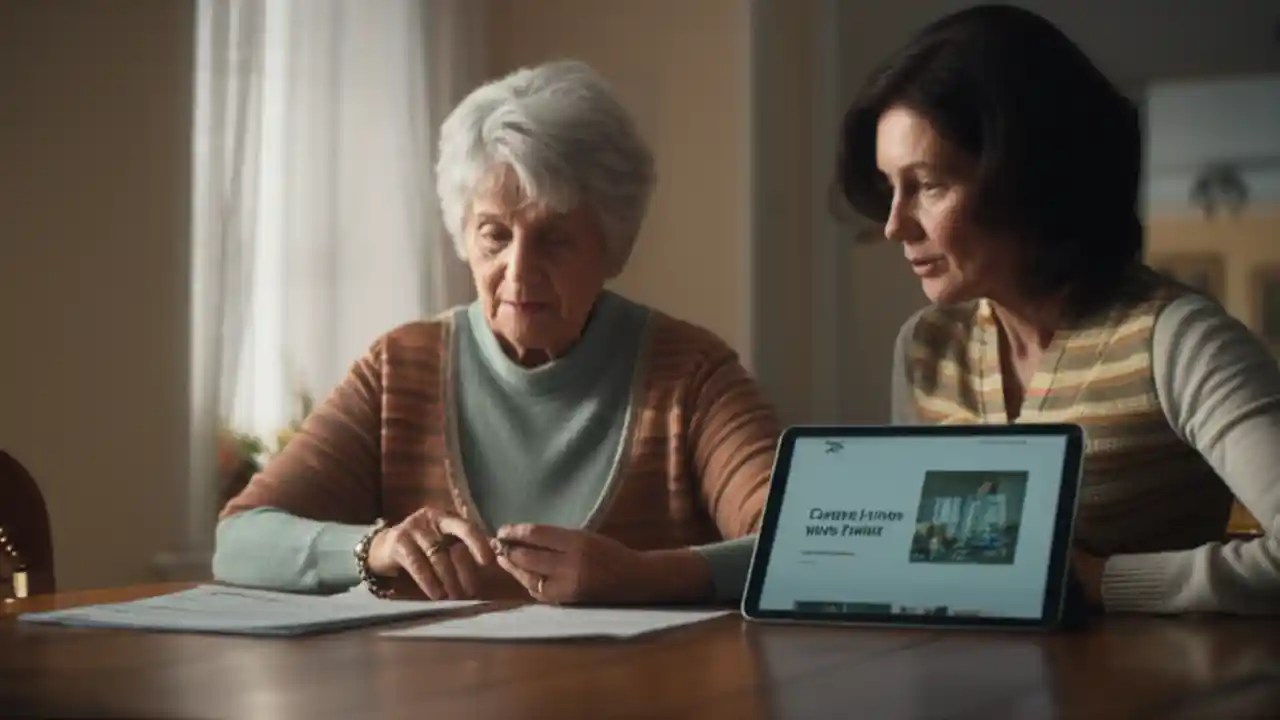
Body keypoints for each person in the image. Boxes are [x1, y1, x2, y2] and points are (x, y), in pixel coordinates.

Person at [213, 60, 779, 604]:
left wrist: (642, 576)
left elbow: (802, 546)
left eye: (554, 240)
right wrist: (374, 548)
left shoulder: (690, 376)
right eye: (495, 235)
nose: (519, 271)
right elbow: (240, 541)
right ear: (464, 234)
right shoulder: (399, 371)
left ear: (613, 246)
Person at [837, 6, 1278, 614]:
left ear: (1027, 177)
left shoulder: (1178, 341)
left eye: (929, 185)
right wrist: (701, 569)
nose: (894, 226)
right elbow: (900, 549)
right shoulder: (928, 347)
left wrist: (1104, 582)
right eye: (891, 188)